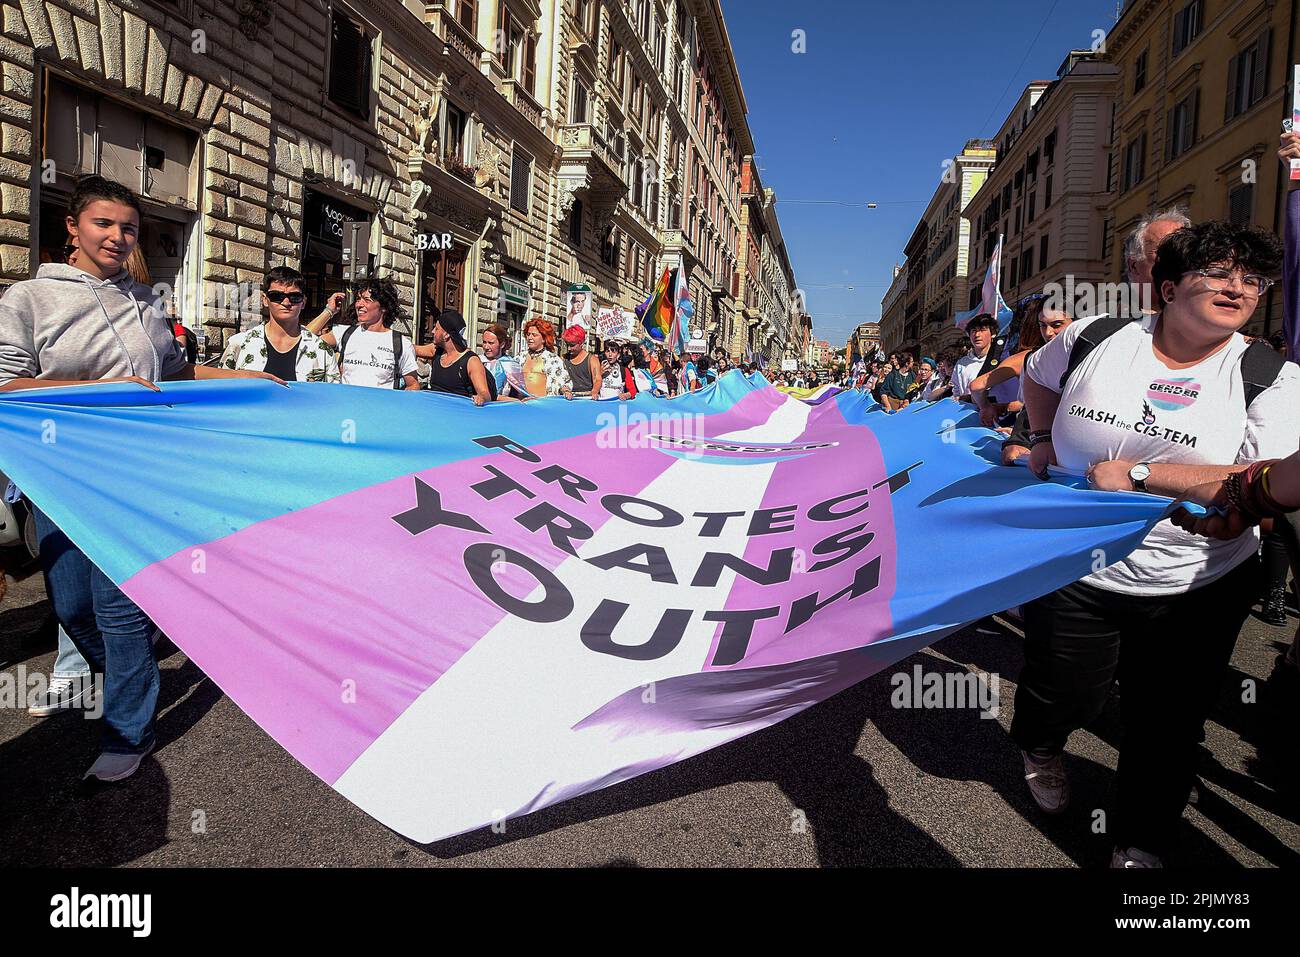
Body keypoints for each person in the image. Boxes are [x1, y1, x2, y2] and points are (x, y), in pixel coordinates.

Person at [1015, 220, 1300, 867]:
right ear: (1167, 288)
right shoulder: (1096, 336)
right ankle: (1041, 742)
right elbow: (1035, 375)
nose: (1239, 286)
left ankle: (1139, 841)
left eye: (1252, 278)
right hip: (1073, 566)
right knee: (1066, 691)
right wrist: (1037, 436)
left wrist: (1140, 476)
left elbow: (1257, 481)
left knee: (1168, 726)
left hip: (1198, 583)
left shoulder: (1271, 376)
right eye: (1219, 272)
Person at [0, 175, 282, 783]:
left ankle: (128, 729)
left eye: (127, 227)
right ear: (71, 228)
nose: (118, 236)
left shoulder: (147, 304)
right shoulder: (28, 299)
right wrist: (101, 391)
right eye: (104, 223)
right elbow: (6, 383)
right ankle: (130, 675)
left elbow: (179, 373)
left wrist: (251, 381)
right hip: (59, 475)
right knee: (73, 608)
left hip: (137, 479)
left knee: (120, 609)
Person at [219, 265, 339, 382]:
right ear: (265, 300)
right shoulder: (239, 344)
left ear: (303, 302)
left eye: (295, 297)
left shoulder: (322, 350)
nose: (286, 302)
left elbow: (333, 397)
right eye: (277, 296)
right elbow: (222, 392)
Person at [307, 277, 418, 390]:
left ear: (384, 307)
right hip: (346, 406)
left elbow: (413, 385)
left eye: (367, 300)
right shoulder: (344, 333)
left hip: (380, 407)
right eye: (358, 299)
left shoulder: (401, 343)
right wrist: (329, 311)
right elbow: (304, 339)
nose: (359, 304)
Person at [424, 309, 492, 404]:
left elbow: (485, 394)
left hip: (457, 414)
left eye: (436, 328)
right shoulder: (437, 351)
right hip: (435, 412)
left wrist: (481, 398)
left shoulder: (471, 361)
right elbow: (411, 348)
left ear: (446, 334)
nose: (432, 331)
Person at [950, 314, 1001, 402]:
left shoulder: (1001, 359)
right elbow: (956, 390)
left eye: (982, 330)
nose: (977, 335)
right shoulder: (961, 363)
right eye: (973, 331)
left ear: (993, 334)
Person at [520, 318, 570, 397]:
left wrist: (566, 391)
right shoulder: (519, 358)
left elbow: (564, 382)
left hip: (542, 405)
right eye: (528, 334)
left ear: (544, 338)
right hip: (521, 405)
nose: (530, 338)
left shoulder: (553, 360)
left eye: (534, 335)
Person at [480, 323, 526, 401]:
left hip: (502, 407)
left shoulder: (511, 365)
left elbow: (521, 393)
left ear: (502, 344)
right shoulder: (477, 361)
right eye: (484, 342)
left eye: (491, 343)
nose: (486, 347)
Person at [560, 325, 601, 400]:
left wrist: (595, 391)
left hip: (587, 398)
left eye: (572, 345)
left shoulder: (592, 359)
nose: (569, 348)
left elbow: (597, 379)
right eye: (567, 344)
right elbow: (560, 379)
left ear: (581, 343)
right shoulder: (564, 359)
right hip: (568, 398)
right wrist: (565, 391)